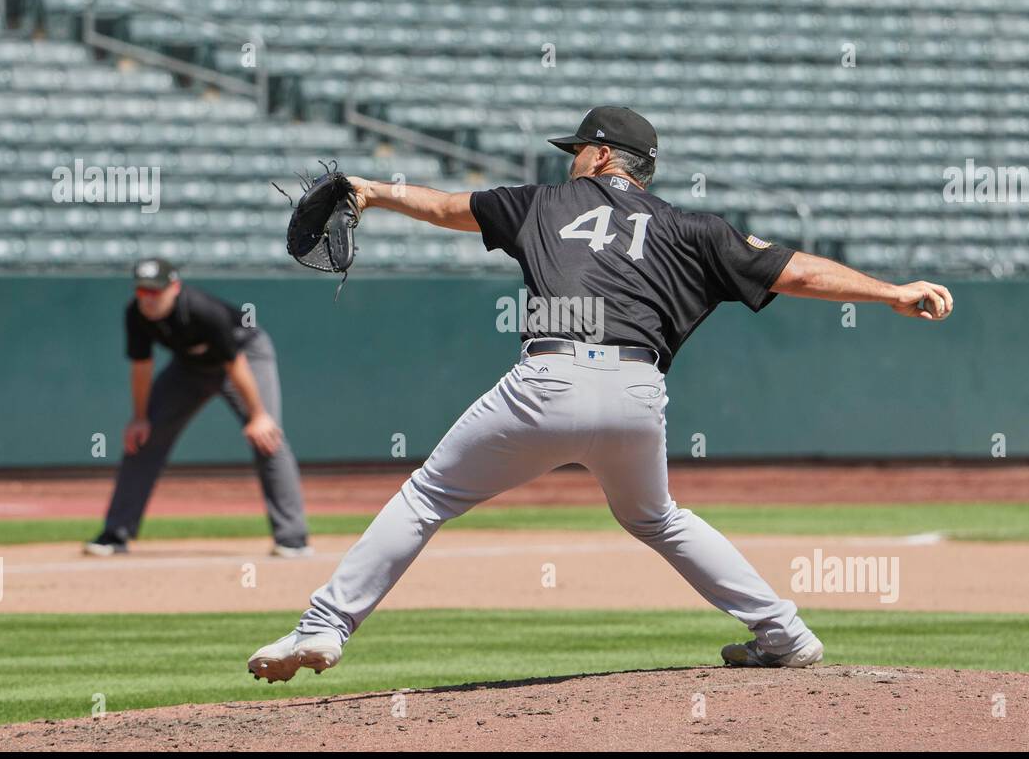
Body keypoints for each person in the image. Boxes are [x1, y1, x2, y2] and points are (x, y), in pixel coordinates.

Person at [247, 106, 953, 682]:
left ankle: (324, 629)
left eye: (579, 148)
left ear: (606, 156)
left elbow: (442, 207)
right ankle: (785, 634)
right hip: (637, 396)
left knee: (428, 497)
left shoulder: (541, 202)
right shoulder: (693, 227)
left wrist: (372, 189)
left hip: (546, 381)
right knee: (658, 518)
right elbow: (793, 271)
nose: (571, 158)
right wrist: (891, 291)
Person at [86, 259, 311, 557]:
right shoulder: (135, 314)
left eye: (156, 291)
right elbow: (141, 367)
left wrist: (257, 415)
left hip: (246, 357)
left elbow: (235, 363)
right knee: (144, 437)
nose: (149, 299)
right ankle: (115, 534)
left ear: (174, 288)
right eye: (143, 292)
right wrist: (139, 418)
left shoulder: (203, 310)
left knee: (267, 437)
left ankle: (293, 538)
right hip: (190, 367)